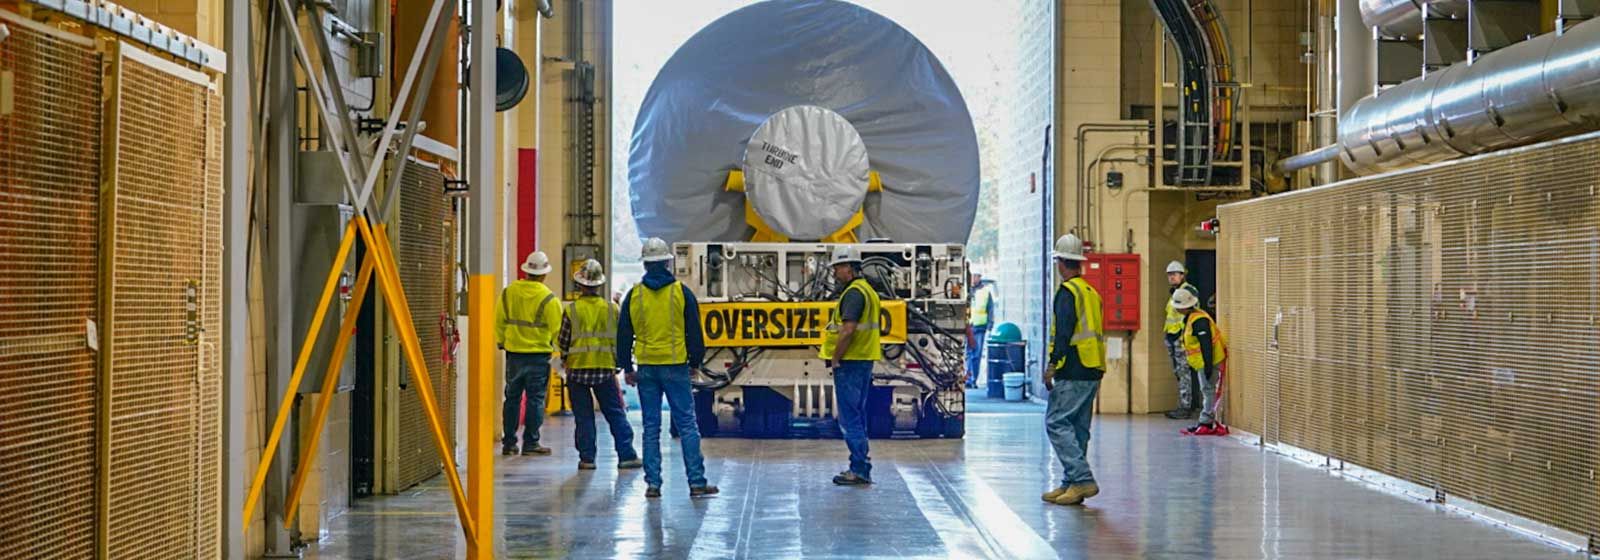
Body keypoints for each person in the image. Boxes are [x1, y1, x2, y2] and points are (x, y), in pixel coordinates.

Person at [617, 238, 719, 498]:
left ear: (646, 264)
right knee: (687, 425)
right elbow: (695, 332)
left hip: (647, 369)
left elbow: (624, 335)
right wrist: (695, 362)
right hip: (676, 368)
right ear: (666, 262)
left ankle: (653, 484)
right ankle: (696, 483)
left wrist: (627, 367)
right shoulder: (681, 293)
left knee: (651, 428)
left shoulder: (634, 295)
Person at [558, 259, 643, 471]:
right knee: (615, 412)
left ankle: (587, 459)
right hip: (605, 369)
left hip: (577, 371)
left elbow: (563, 341)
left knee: (583, 417)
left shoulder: (572, 310)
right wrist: (622, 363)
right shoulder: (612, 309)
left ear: (580, 285)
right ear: (599, 285)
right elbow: (621, 339)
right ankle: (626, 455)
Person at [1041, 234, 1106, 506]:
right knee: (1078, 428)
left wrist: (1052, 366)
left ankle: (1081, 478)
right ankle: (1071, 484)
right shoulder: (1090, 291)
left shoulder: (1067, 292)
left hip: (1074, 368)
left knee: (1056, 422)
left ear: (1060, 263)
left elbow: (1065, 332)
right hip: (1093, 367)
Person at [820, 246, 880, 486]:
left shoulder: (854, 293)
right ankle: (862, 465)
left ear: (849, 267)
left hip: (851, 362)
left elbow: (847, 330)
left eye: (837, 268)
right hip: (863, 359)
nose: (835, 273)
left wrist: (835, 357)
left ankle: (858, 469)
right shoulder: (868, 291)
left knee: (849, 418)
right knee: (857, 414)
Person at [496, 251, 563, 456]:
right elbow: (558, 330)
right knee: (535, 399)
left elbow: (499, 320)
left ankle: (509, 443)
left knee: (512, 398)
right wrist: (560, 354)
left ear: (525, 271)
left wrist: (502, 341)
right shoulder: (549, 299)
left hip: (514, 353)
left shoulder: (508, 293)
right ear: (543, 274)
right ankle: (531, 443)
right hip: (539, 355)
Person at [1171, 289, 1229, 435]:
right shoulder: (1192, 317)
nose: (1176, 309)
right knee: (1207, 390)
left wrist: (1208, 365)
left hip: (1209, 361)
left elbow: (1206, 344)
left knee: (1207, 391)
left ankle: (1206, 422)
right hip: (1202, 362)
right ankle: (1205, 421)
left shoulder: (1199, 320)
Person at [1163, 261, 1202, 420]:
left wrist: (1182, 335)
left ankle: (1186, 406)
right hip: (1173, 337)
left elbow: (1190, 314)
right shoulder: (1176, 292)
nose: (1171, 277)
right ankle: (1186, 404)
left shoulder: (1188, 291)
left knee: (1184, 373)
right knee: (1180, 373)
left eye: (1175, 274)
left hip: (1181, 338)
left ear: (1182, 275)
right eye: (1169, 275)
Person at [966, 271, 996, 388]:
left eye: (976, 276)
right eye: (972, 276)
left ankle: (973, 379)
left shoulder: (985, 292)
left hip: (979, 327)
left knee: (976, 355)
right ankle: (968, 379)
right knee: (968, 354)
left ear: (979, 278)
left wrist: (990, 324)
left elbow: (990, 309)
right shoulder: (967, 290)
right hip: (968, 326)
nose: (973, 279)